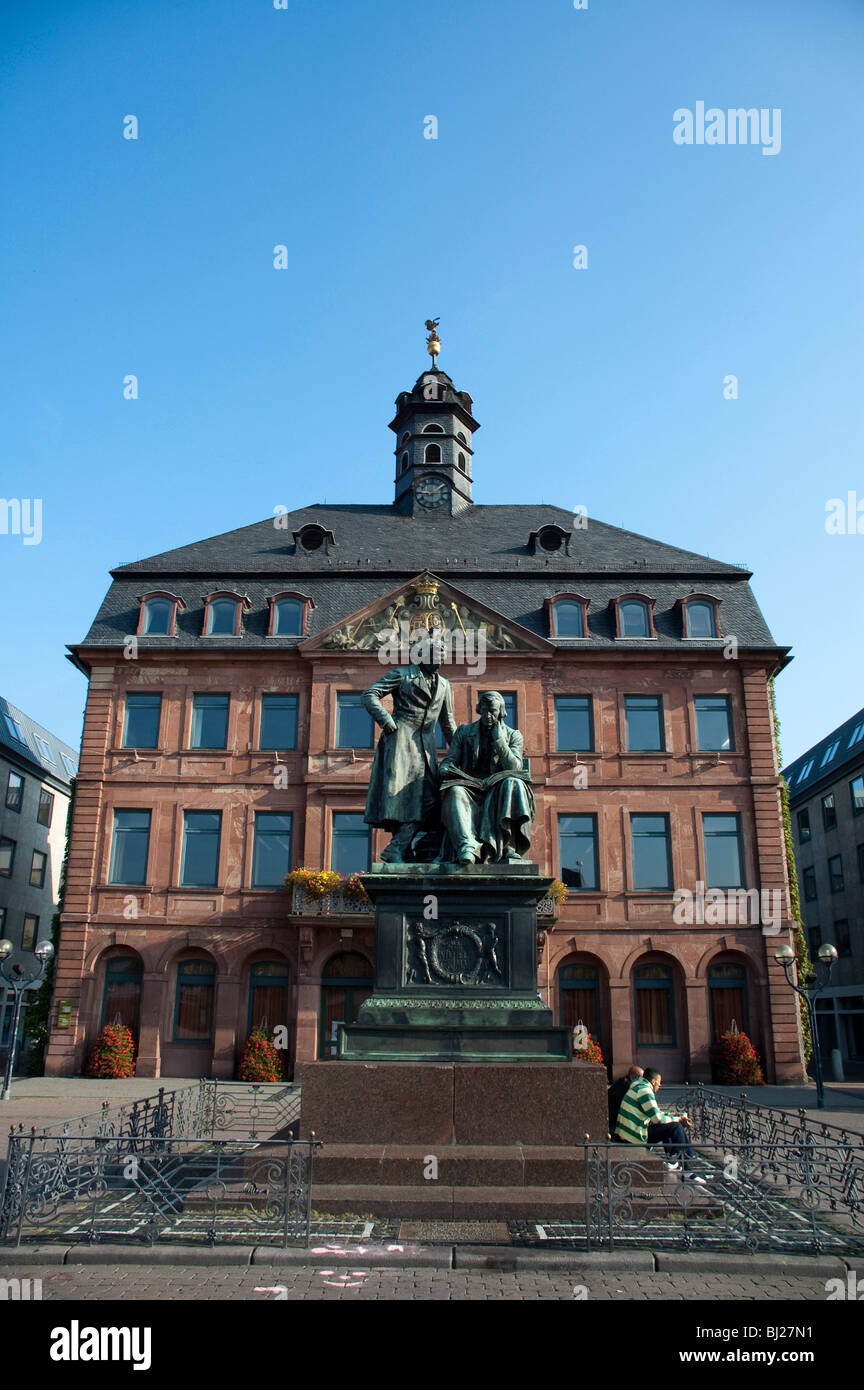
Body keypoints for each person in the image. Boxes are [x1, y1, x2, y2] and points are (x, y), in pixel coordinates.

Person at [362, 641, 456, 862]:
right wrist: (385, 720)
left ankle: (398, 848)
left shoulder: (444, 684)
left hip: (427, 745)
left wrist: (461, 751)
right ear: (422, 655)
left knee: (432, 799)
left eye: (443, 654)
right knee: (403, 796)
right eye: (436, 653)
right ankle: (400, 850)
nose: (441, 658)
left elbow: (448, 723)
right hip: (401, 739)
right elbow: (370, 694)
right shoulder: (402, 675)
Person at [438, 691, 535, 864]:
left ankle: (509, 847)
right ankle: (467, 848)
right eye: (484, 710)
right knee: (455, 791)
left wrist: (499, 741)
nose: (488, 716)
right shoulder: (464, 732)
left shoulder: (513, 735)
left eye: (493, 711)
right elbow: (449, 760)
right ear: (479, 709)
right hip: (470, 788)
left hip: (498, 790)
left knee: (514, 783)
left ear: (501, 712)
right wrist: (445, 768)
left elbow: (514, 767)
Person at [614, 1068, 707, 1183]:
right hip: (634, 1136)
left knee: (669, 1124)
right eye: (659, 1082)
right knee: (675, 1127)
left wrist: (673, 1116)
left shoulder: (638, 1087)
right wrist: (678, 1119)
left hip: (630, 1131)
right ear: (653, 1082)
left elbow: (655, 1113)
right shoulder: (645, 1091)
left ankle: (673, 1159)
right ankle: (688, 1167)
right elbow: (657, 1119)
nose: (660, 1085)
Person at [608, 1065, 643, 1136]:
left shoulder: (621, 1083)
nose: (643, 1081)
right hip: (617, 1125)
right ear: (636, 1077)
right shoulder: (627, 1087)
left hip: (614, 1122)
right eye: (642, 1078)